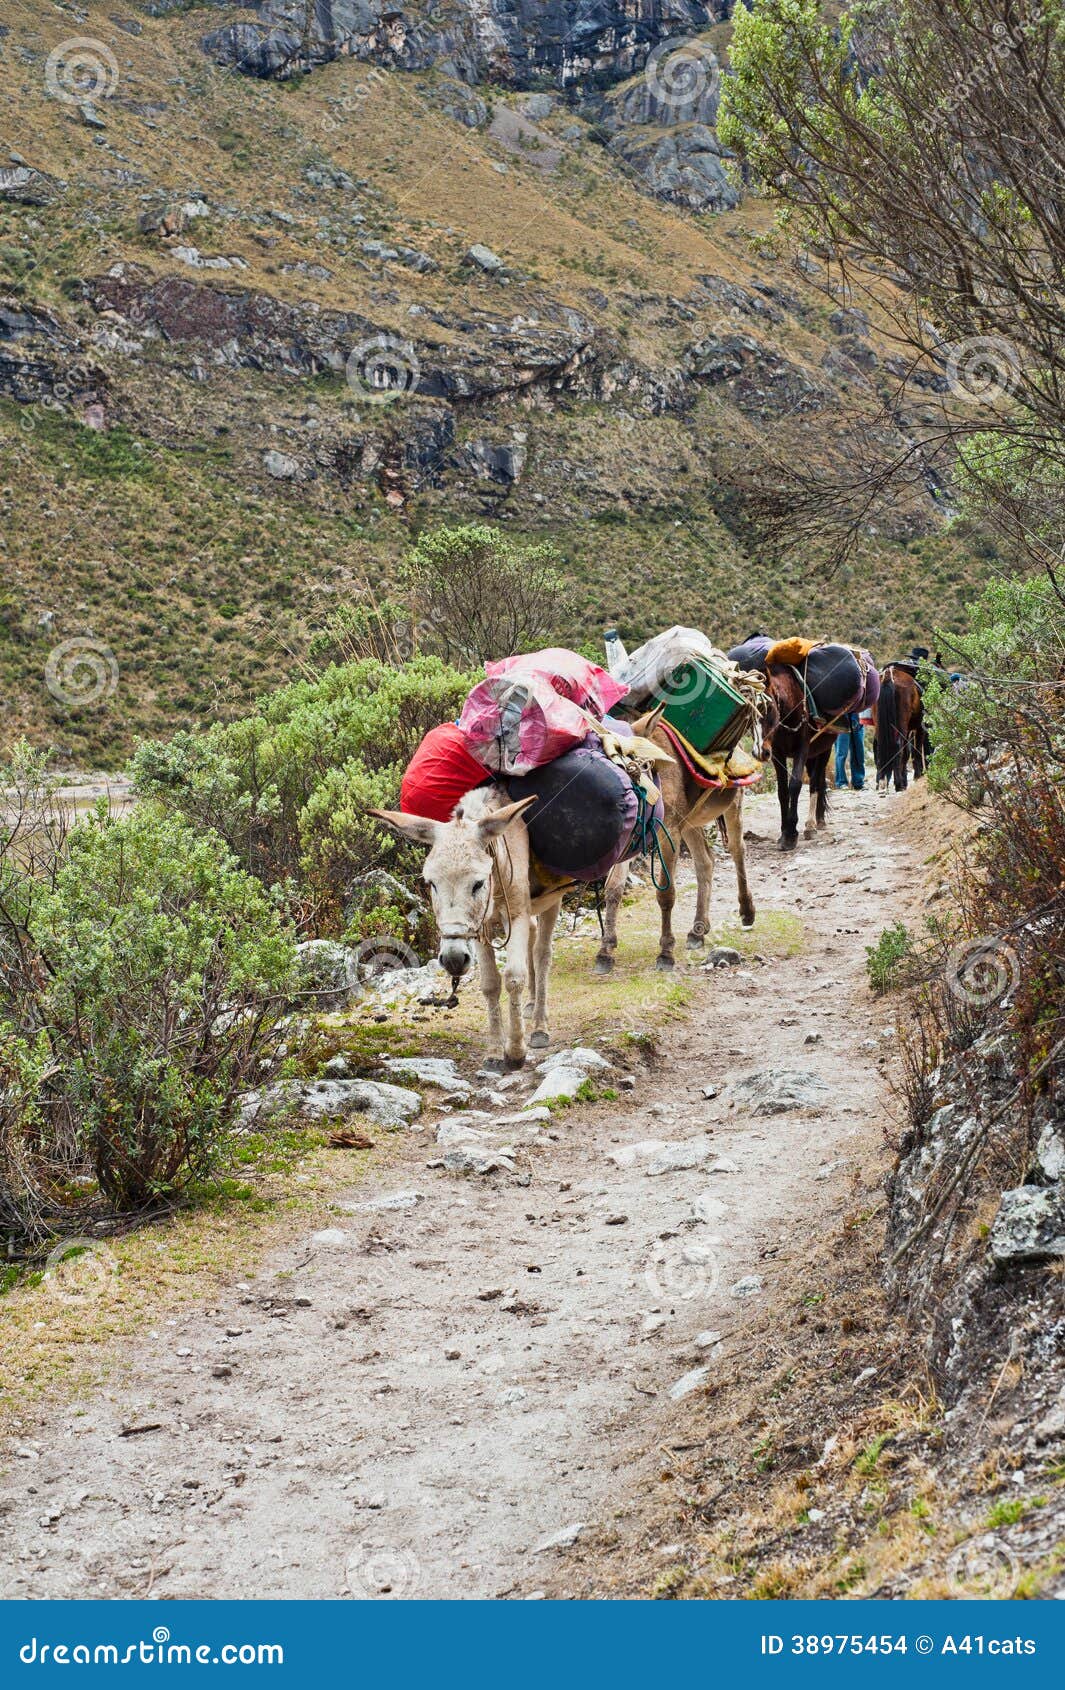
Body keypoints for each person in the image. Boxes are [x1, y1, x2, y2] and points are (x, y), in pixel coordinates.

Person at [834, 711, 865, 790]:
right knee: (841, 753)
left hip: (857, 720)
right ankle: (841, 782)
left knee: (859, 752)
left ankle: (858, 782)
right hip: (841, 719)